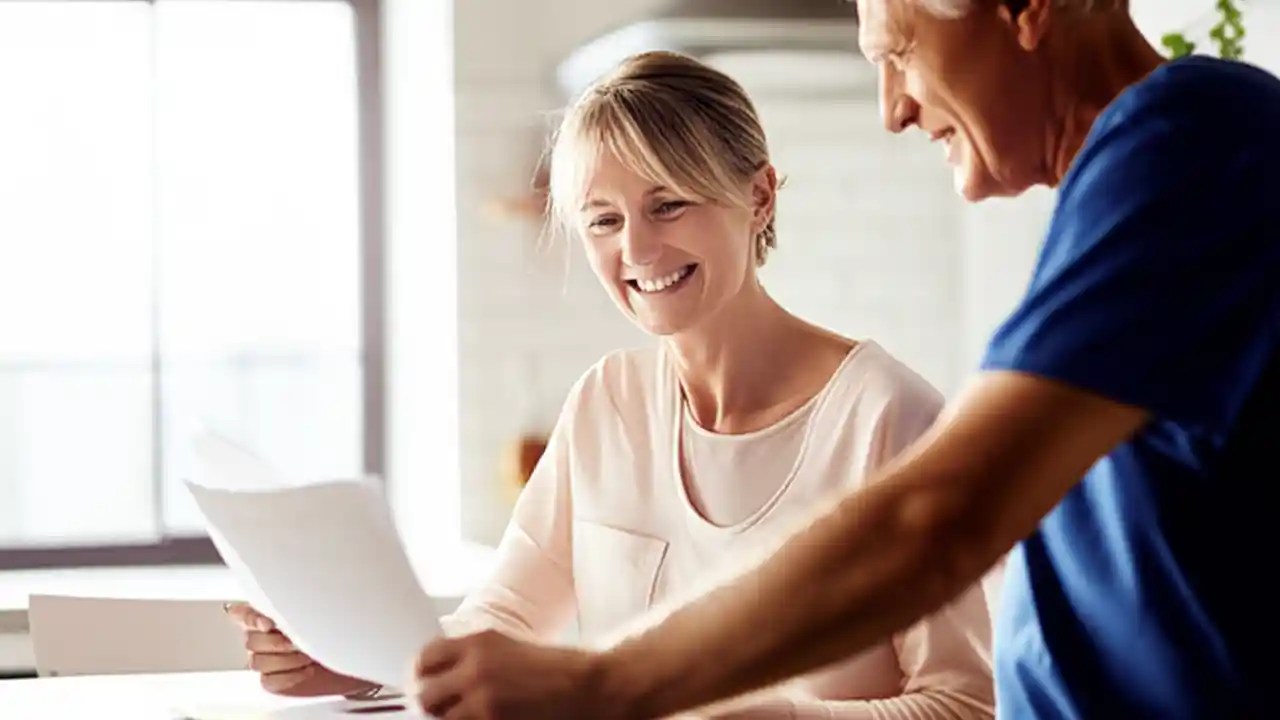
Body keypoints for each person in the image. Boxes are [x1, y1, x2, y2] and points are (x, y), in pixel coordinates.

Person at [406, 1, 1280, 719]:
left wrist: (606, 684)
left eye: (898, 52)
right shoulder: (1135, 178)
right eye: (603, 219)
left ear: (1026, 9)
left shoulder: (1193, 140)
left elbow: (934, 521)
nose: (892, 109)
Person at [227, 50, 995, 718]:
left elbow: (965, 703)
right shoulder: (608, 404)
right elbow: (505, 617)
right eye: (602, 221)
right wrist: (354, 663)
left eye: (668, 204)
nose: (638, 249)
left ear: (759, 196)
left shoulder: (887, 417)